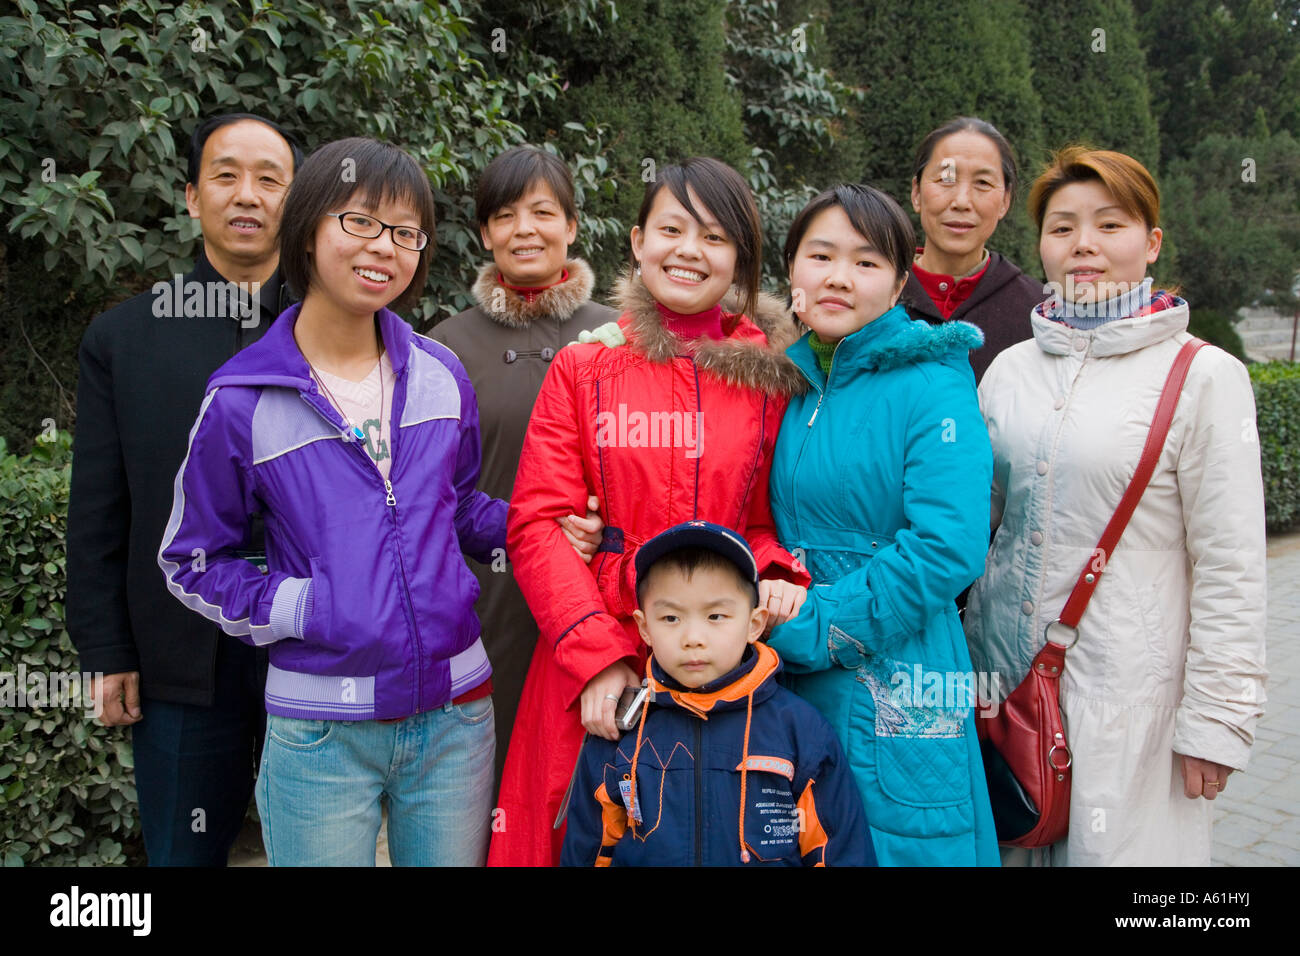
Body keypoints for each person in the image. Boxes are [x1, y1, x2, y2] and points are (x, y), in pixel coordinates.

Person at [156, 137, 598, 866]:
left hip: (456, 716)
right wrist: (303, 607)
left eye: (404, 232)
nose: (383, 248)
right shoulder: (243, 400)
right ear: (306, 229)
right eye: (359, 222)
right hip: (321, 728)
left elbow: (457, 508)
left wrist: (539, 530)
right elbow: (192, 560)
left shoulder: (438, 372)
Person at [490, 157, 811, 867]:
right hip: (599, 639)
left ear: (740, 260)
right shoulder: (584, 369)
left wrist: (778, 568)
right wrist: (597, 657)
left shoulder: (768, 379)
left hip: (719, 650)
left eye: (716, 236)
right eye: (672, 228)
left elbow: (760, 522)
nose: (690, 251)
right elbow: (538, 523)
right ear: (638, 241)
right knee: (579, 834)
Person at [963, 147, 1268, 866]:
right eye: (1063, 227)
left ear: (1151, 241)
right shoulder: (1011, 370)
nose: (1085, 245)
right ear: (1040, 244)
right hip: (1005, 692)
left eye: (1110, 224)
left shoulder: (1203, 376)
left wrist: (1217, 721)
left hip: (1130, 704)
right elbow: (978, 525)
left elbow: (1230, 562)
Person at [67, 112, 301, 866]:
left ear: (295, 205)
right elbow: (100, 508)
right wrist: (105, 648)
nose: (248, 195)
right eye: (226, 175)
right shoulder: (124, 340)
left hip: (318, 657)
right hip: (178, 661)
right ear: (192, 196)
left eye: (270, 179)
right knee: (183, 854)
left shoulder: (343, 332)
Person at [766, 183, 999, 866]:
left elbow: (948, 546)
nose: (839, 277)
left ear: (901, 281)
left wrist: (816, 624)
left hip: (901, 673)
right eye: (821, 255)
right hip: (791, 672)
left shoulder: (931, 381)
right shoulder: (791, 380)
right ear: (792, 272)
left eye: (867, 262)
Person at [429, 146, 617, 787]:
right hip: (488, 592)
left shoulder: (621, 336)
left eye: (543, 212)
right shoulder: (447, 345)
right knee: (489, 783)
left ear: (571, 225)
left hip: (601, 586)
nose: (525, 230)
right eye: (505, 216)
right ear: (484, 233)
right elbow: (428, 491)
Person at [561, 521, 873, 866]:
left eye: (715, 615)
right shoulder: (621, 733)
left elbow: (840, 851)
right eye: (670, 618)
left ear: (754, 624)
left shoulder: (800, 731)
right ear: (644, 627)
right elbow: (588, 850)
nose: (693, 636)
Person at [901, 117, 1044, 382]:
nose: (962, 201)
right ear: (916, 193)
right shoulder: (873, 296)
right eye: (946, 179)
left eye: (982, 183)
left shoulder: (1039, 312)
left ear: (1005, 201)